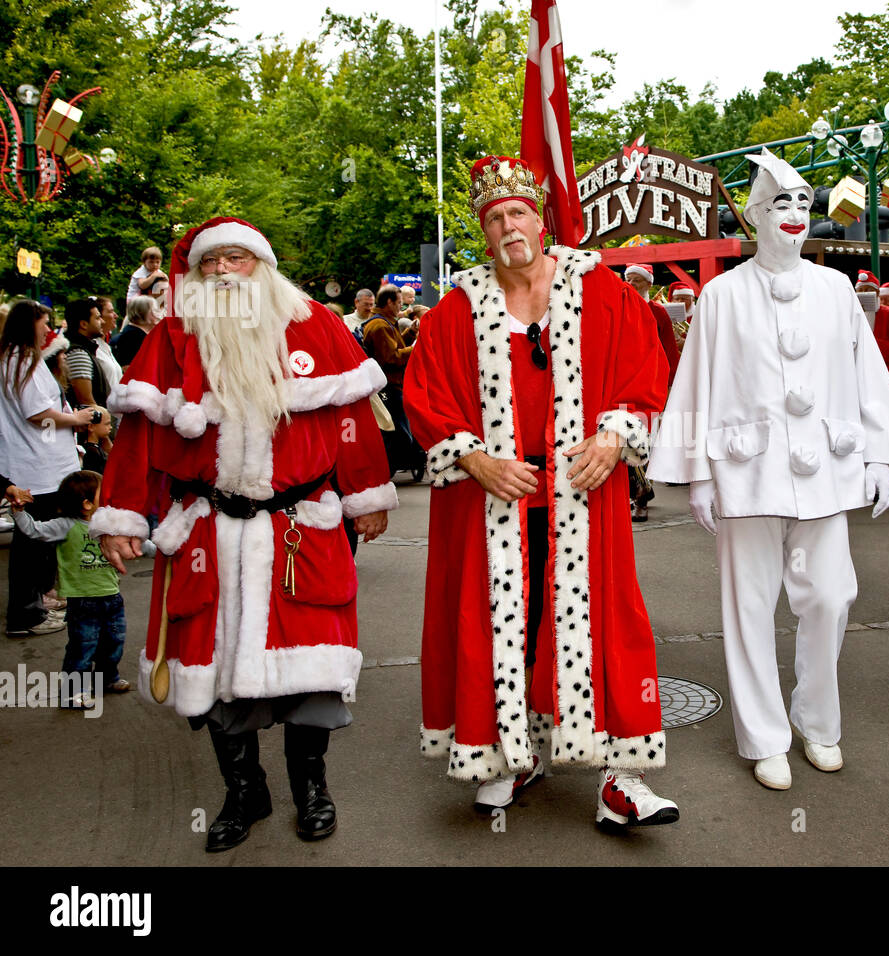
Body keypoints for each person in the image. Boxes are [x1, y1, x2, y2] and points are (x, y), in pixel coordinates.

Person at [92, 216, 397, 850]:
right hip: (206, 532)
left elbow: (352, 422)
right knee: (211, 671)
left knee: (310, 674)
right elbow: (137, 439)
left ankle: (311, 788)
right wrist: (122, 514)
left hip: (299, 527)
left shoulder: (314, 324)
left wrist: (366, 494)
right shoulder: (173, 336)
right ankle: (244, 791)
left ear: (264, 266)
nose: (225, 271)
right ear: (197, 273)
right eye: (212, 262)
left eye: (238, 258)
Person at [404, 155, 678, 829]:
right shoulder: (455, 308)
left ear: (540, 217)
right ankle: (509, 752)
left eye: (518, 212)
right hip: (493, 499)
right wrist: (472, 457)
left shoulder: (604, 292)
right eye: (494, 218)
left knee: (608, 624)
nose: (508, 226)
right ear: (484, 230)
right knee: (504, 628)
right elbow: (426, 396)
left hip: (584, 493)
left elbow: (647, 371)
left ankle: (622, 776)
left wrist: (613, 437)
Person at [647, 149, 889, 790]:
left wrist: (881, 455)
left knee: (832, 595)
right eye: (781, 206)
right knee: (748, 608)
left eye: (803, 205)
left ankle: (817, 719)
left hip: (825, 469)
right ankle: (764, 734)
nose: (795, 216)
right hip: (745, 472)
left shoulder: (835, 291)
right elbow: (696, 385)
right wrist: (698, 473)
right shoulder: (720, 295)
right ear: (757, 216)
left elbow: (866, 377)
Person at [1, 300, 93, 637]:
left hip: (37, 463)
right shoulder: (21, 360)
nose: (48, 330)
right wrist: (77, 419)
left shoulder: (18, 358)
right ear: (30, 325)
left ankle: (34, 605)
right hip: (35, 466)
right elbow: (37, 413)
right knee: (32, 545)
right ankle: (27, 615)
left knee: (37, 543)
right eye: (44, 324)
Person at [12, 470, 131, 707]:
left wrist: (162, 544)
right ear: (87, 504)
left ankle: (107, 678)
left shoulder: (109, 525)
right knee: (82, 646)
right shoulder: (65, 526)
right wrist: (18, 511)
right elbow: (35, 530)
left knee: (113, 641)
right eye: (102, 494)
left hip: (112, 597)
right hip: (82, 600)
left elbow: (137, 540)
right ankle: (73, 693)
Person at [624, 263, 680, 521]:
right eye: (629, 279)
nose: (633, 284)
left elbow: (670, 351)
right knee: (624, 442)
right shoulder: (620, 306)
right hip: (623, 385)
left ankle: (641, 498)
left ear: (649, 283)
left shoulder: (658, 312)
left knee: (644, 443)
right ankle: (639, 492)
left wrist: (670, 387)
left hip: (652, 386)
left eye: (638, 280)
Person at [363, 284, 422, 480]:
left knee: (399, 432)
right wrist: (416, 348)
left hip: (391, 385)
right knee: (399, 435)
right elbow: (391, 357)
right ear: (389, 302)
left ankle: (385, 471)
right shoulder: (380, 326)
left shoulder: (385, 323)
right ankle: (383, 472)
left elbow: (394, 348)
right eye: (398, 303)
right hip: (388, 386)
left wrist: (411, 333)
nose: (401, 307)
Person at [63, 297, 110, 412]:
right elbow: (86, 402)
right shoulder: (78, 354)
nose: (102, 322)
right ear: (83, 324)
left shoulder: (85, 349)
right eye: (98, 318)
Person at [112, 296, 161, 369]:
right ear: (142, 312)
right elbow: (127, 368)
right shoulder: (132, 336)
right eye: (155, 310)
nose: (159, 314)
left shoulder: (137, 334)